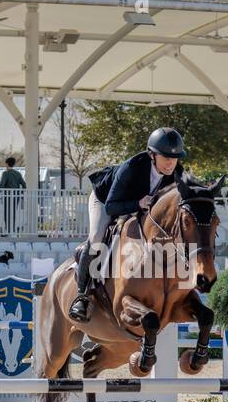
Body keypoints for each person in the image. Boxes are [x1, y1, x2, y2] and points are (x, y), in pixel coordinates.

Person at [68, 127, 186, 323]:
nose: (170, 163)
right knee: (97, 236)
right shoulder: (131, 168)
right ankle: (82, 295)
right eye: (165, 157)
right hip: (106, 200)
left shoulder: (176, 173)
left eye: (174, 158)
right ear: (151, 155)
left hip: (140, 208)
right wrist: (137, 204)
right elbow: (112, 207)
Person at [0, 156, 25, 232]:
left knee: (7, 213)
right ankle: (12, 229)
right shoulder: (18, 173)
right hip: (16, 196)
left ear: (7, 164)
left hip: (8, 196)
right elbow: (24, 185)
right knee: (13, 212)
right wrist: (20, 193)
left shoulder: (5, 173)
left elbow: (2, 185)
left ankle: (8, 229)